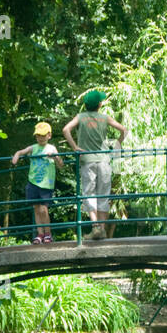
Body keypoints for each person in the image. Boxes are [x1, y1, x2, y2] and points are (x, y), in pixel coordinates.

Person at [63, 89, 127, 240]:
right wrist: (117, 143)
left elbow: (66, 129)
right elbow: (124, 130)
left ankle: (95, 228)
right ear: (99, 105)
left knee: (89, 194)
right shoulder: (105, 118)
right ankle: (102, 230)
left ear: (86, 105)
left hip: (87, 160)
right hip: (104, 161)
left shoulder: (80, 117)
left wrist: (74, 147)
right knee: (103, 195)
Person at [11, 122, 65, 244]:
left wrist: (55, 157)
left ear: (49, 135)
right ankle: (40, 234)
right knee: (36, 209)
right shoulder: (33, 148)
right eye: (38, 135)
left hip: (46, 184)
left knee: (43, 210)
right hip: (33, 182)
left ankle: (48, 233)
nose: (40, 138)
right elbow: (21, 152)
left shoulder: (51, 148)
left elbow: (61, 165)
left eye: (43, 135)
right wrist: (17, 156)